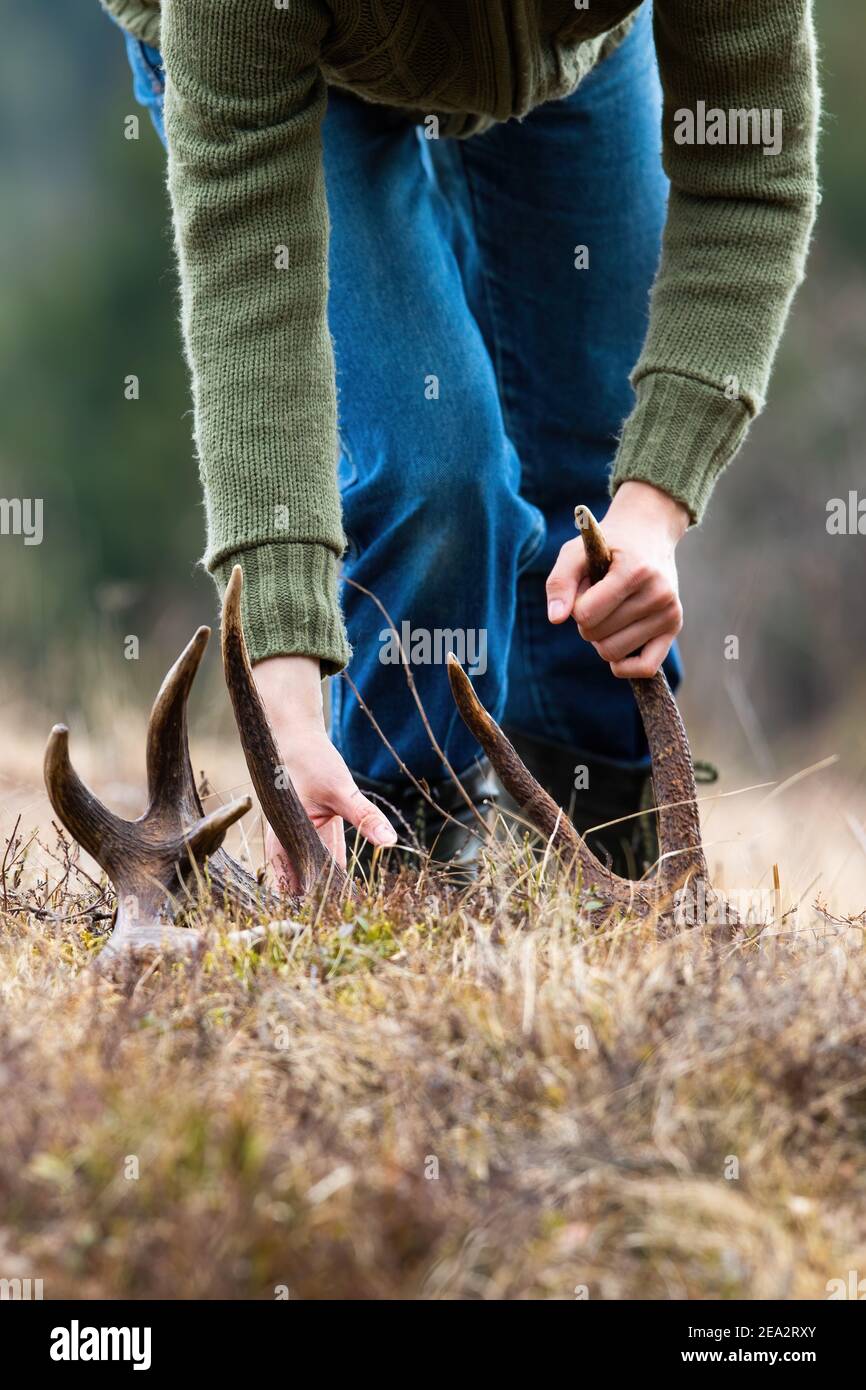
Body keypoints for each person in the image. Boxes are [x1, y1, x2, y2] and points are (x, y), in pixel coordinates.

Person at [101, 0, 818, 880]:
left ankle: (598, 854)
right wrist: (283, 704)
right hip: (280, 53)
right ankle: (397, 862)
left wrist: (654, 504)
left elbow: (750, 171)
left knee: (599, 455)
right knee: (435, 472)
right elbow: (255, 257)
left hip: (561, 55)